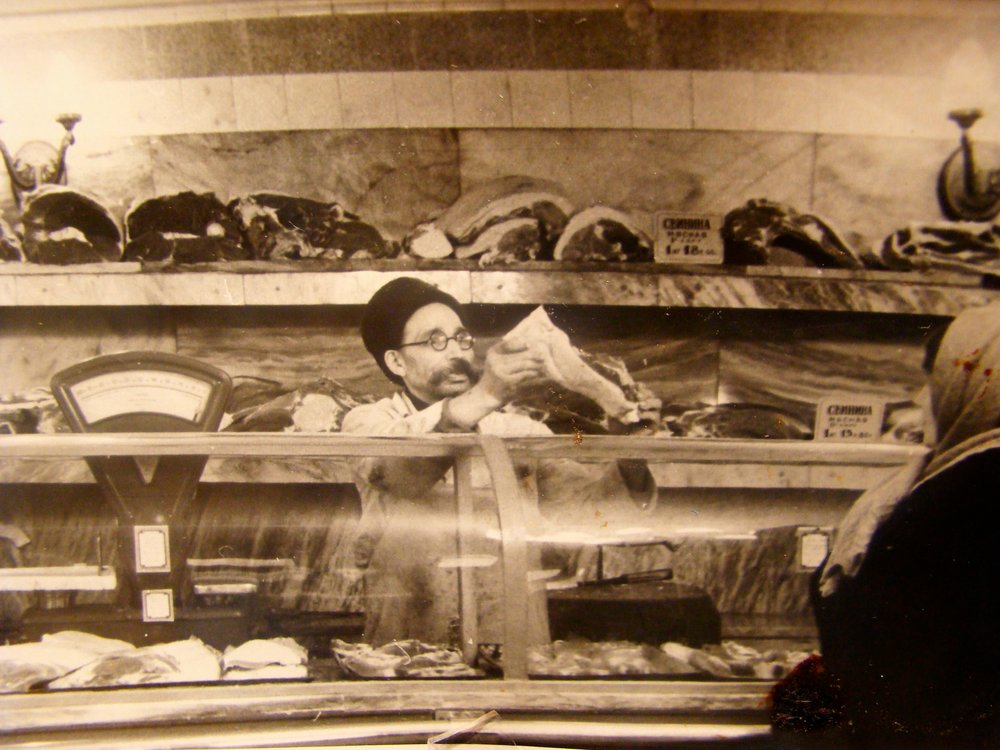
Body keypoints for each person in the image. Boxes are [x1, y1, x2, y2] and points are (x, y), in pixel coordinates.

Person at [341, 277, 656, 646]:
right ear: (396, 361)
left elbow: (595, 515)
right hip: (412, 638)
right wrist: (488, 392)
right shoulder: (369, 422)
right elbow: (400, 474)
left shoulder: (519, 431)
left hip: (510, 638)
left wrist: (630, 450)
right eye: (435, 341)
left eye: (462, 339)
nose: (456, 352)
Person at [806, 300, 1000, 745]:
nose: (919, 399)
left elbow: (899, 685)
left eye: (934, 379)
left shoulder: (960, 499)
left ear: (972, 384)